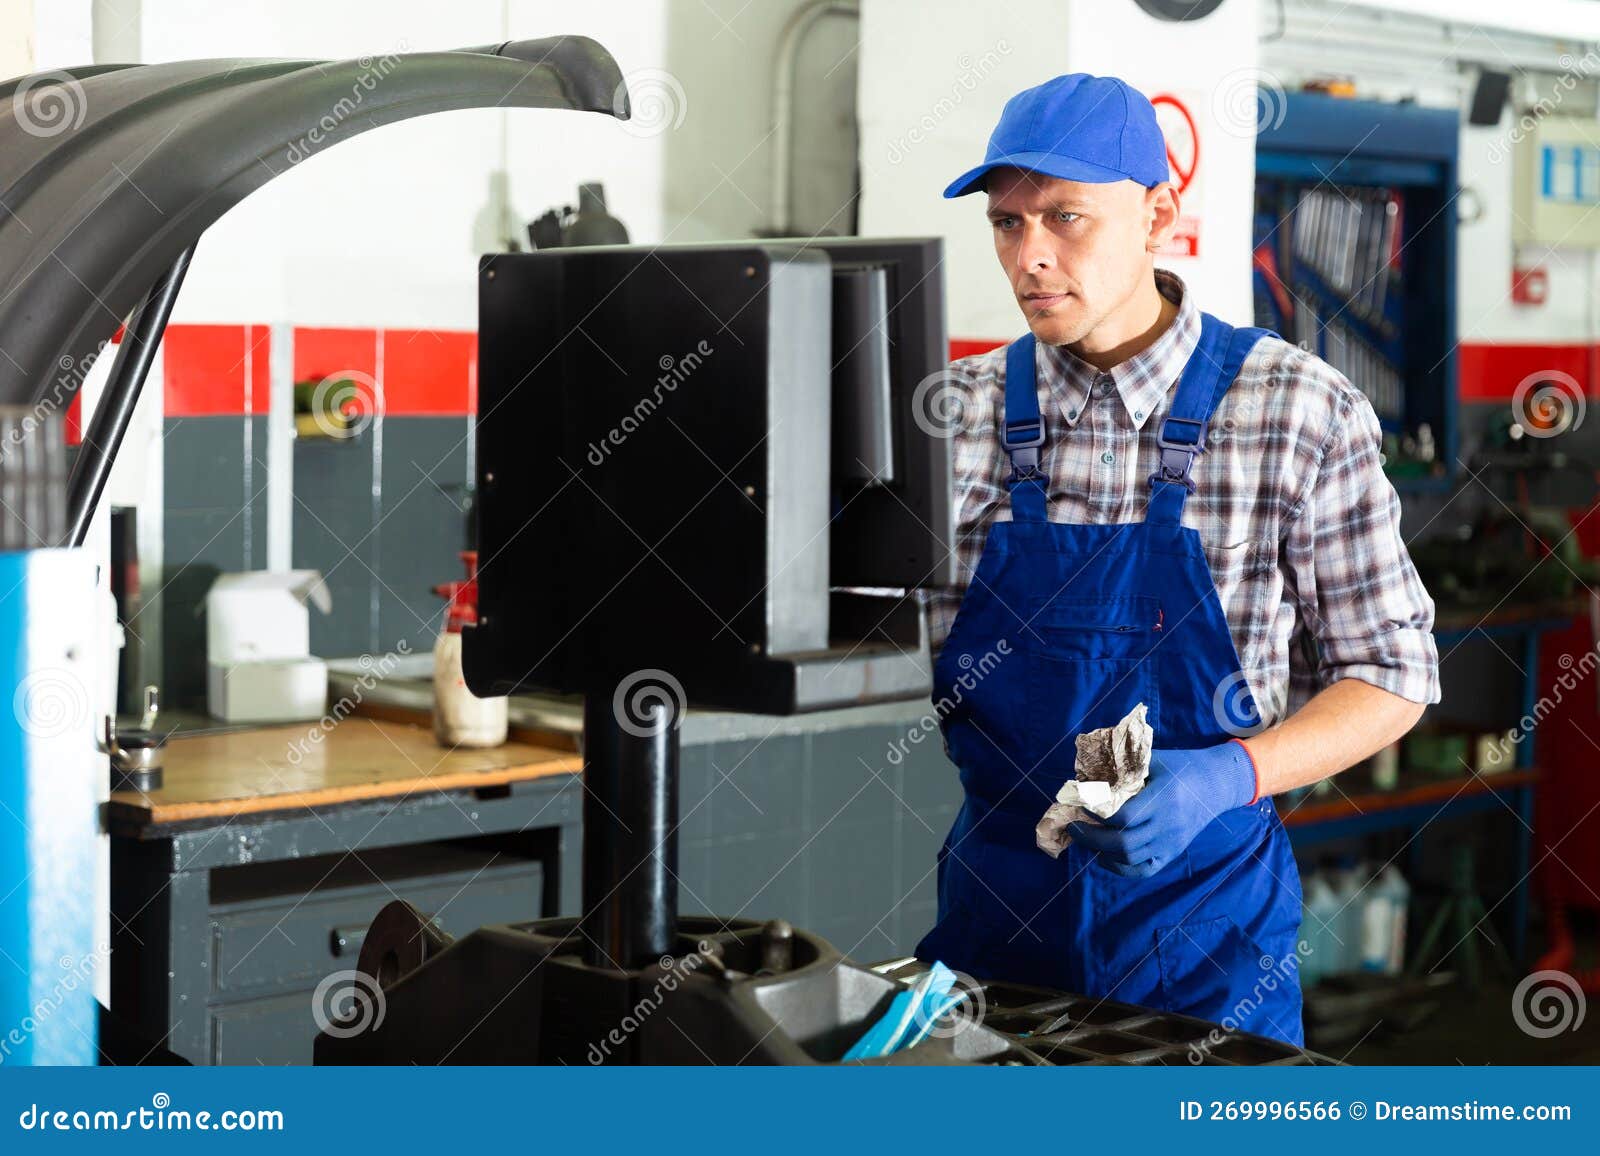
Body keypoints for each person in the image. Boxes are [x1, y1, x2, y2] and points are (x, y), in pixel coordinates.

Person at [916, 73, 1439, 1045]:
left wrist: (1229, 775)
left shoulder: (1295, 410)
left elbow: (1394, 675)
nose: (1029, 256)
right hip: (996, 936)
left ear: (1159, 213)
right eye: (1005, 223)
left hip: (1206, 948)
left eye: (1065, 217)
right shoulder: (951, 417)